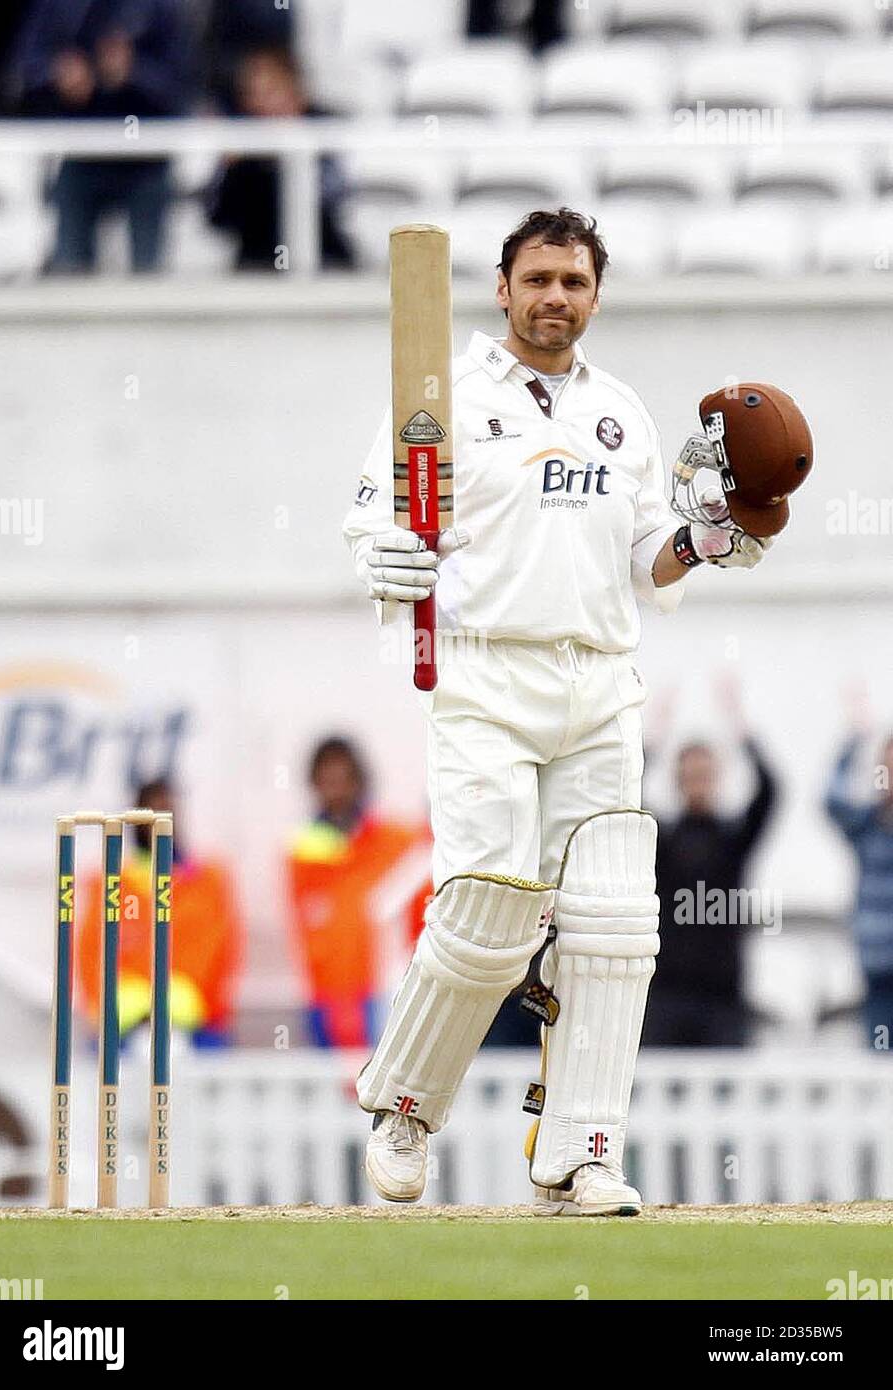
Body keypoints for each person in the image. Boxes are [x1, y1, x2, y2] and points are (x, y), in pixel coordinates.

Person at [342, 207, 774, 1214]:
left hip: (598, 679)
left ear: (593, 293)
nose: (554, 298)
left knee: (612, 923)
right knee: (488, 908)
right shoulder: (438, 397)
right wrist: (385, 555)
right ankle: (405, 1107)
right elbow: (372, 518)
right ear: (502, 287)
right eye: (536, 279)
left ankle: (576, 1153)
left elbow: (649, 559)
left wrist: (708, 540)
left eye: (573, 282)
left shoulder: (619, 412)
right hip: (484, 676)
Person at [7, 0, 193, 272]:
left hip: (147, 161)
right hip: (81, 156)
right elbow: (23, 69)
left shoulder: (161, 8)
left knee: (150, 277)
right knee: (70, 271)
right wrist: (59, 73)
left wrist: (133, 73)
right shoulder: (59, 7)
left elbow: (183, 88)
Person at [643, 679, 778, 1047]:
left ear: (716, 778)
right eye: (690, 775)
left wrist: (738, 724)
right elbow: (625, 795)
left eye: (704, 774)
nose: (697, 782)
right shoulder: (663, 842)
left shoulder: (732, 841)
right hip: (666, 993)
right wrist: (654, 737)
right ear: (678, 781)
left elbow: (770, 791)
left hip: (723, 998)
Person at [286, 737, 430, 1049]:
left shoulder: (396, 839)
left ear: (359, 781)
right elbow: (315, 938)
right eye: (327, 780)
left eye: (343, 779)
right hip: (330, 1002)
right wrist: (339, 1002)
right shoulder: (303, 855)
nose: (336, 789)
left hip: (388, 991)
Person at [76, 777, 243, 1046]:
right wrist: (132, 1004)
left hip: (195, 1026)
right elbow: (92, 955)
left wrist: (179, 1002)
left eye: (167, 810)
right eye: (150, 812)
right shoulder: (110, 883)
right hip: (123, 1028)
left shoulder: (208, 880)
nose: (157, 823)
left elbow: (221, 952)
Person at [207, 45, 353, 271]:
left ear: (296, 91)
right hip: (256, 263)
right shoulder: (240, 145)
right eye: (253, 94)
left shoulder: (323, 133)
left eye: (271, 92)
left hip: (324, 258)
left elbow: (333, 199)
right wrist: (236, 171)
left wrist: (287, 161)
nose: (261, 104)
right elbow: (218, 218)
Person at [825, 694, 893, 1050]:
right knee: (881, 1060)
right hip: (877, 963)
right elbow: (831, 799)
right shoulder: (867, 824)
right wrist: (854, 740)